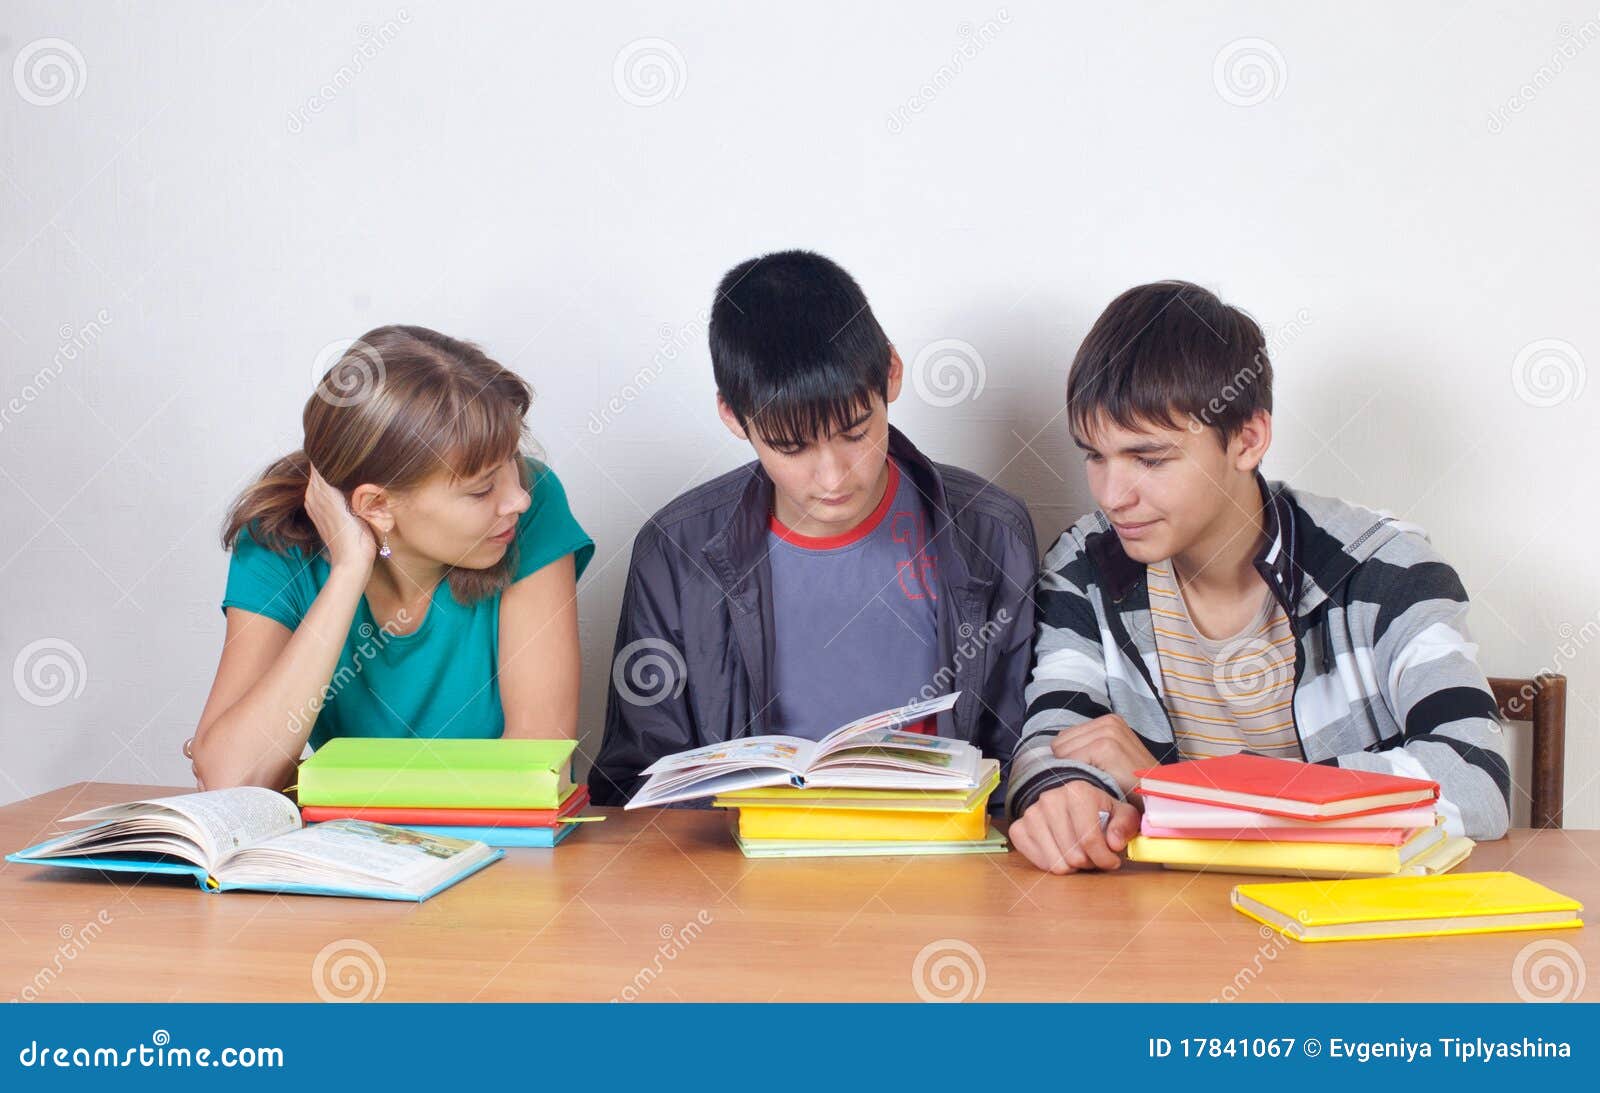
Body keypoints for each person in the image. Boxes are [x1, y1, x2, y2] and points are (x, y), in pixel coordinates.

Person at [1007, 281, 1510, 874]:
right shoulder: (1086, 565)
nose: (1114, 496)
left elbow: (1475, 778)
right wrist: (1062, 800)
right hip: (1158, 935)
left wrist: (1174, 788)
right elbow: (1053, 744)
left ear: (1247, 439)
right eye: (1094, 455)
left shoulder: (1382, 568)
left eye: (1150, 459)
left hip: (1351, 941)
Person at [588, 250, 1038, 804]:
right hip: (743, 876)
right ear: (733, 417)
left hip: (940, 866)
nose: (832, 476)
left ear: (891, 372)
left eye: (855, 432)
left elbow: (1024, 763)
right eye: (791, 447)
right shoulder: (675, 552)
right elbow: (635, 784)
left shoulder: (992, 533)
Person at [188, 325, 593, 790]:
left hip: (503, 847)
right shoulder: (275, 539)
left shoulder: (530, 509)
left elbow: (538, 765)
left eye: (513, 462)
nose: (517, 498)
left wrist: (329, 782)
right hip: (345, 851)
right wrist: (347, 571)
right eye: (481, 489)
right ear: (376, 506)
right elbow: (230, 779)